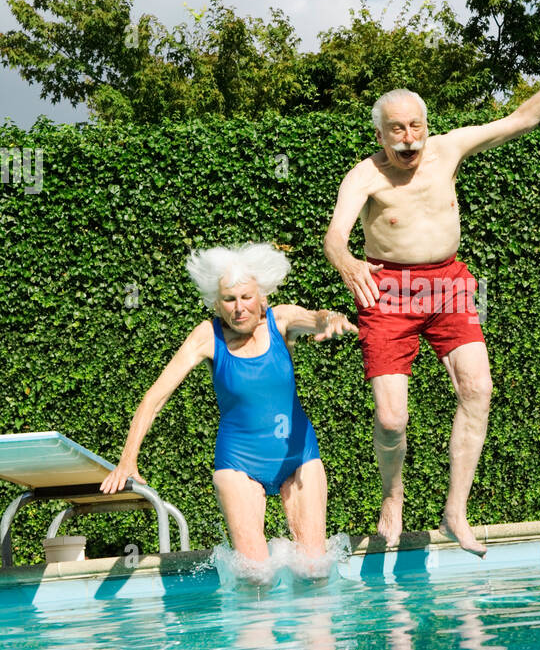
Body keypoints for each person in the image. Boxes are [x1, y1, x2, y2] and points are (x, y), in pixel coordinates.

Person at [323, 16, 540, 554]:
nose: (408, 139)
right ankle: (393, 500)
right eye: (396, 130)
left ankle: (456, 511)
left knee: (478, 389)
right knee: (391, 418)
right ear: (380, 133)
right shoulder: (364, 177)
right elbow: (335, 237)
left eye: (415, 127)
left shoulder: (450, 148)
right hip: (388, 291)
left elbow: (523, 117)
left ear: (426, 126)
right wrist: (346, 264)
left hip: (450, 283)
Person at [100, 242, 356, 565]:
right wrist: (127, 460)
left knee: (315, 567)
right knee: (255, 574)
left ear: (262, 297)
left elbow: (316, 318)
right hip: (239, 463)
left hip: (299, 455)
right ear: (217, 304)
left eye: (246, 297)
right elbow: (155, 396)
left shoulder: (281, 321)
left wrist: (331, 318)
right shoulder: (207, 337)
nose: (239, 307)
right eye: (229, 300)